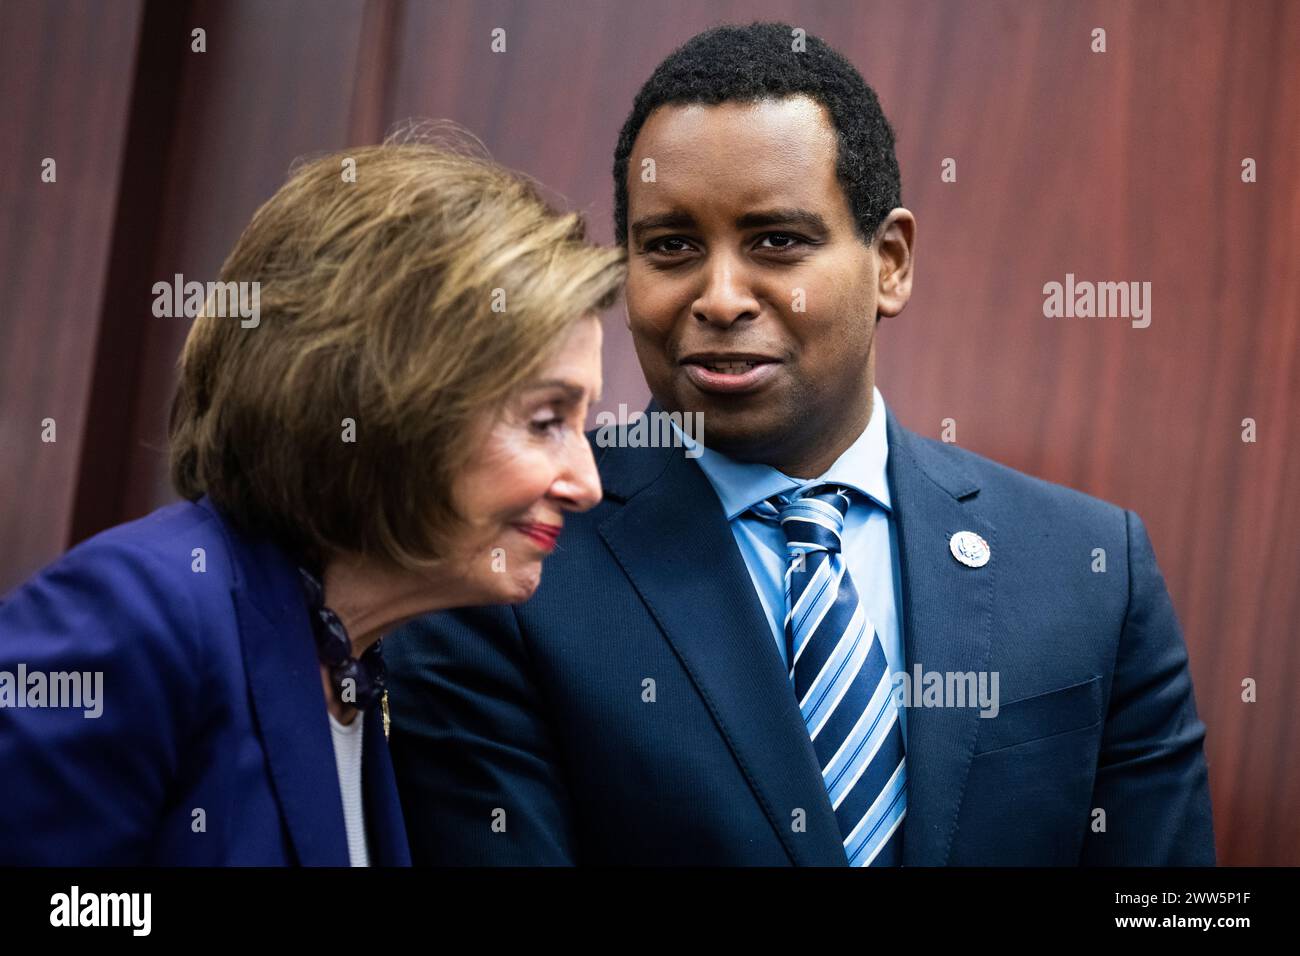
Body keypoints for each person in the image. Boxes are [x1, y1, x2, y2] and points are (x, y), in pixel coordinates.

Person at [384, 24, 1215, 866]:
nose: (719, 298)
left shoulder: (1091, 568)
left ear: (889, 262)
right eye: (670, 247)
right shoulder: (507, 567)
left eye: (777, 241)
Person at [0, 135, 623, 865]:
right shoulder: (140, 610)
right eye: (546, 420)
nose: (587, 483)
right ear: (385, 397)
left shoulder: (361, 671)